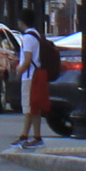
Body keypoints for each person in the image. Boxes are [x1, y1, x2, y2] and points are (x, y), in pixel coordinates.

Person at [13, 17, 49, 148]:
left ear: (22, 22)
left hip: (29, 76)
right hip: (37, 74)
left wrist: (19, 71)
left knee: (31, 107)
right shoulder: (36, 35)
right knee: (30, 107)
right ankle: (24, 135)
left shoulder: (27, 37)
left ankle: (37, 137)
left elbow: (27, 59)